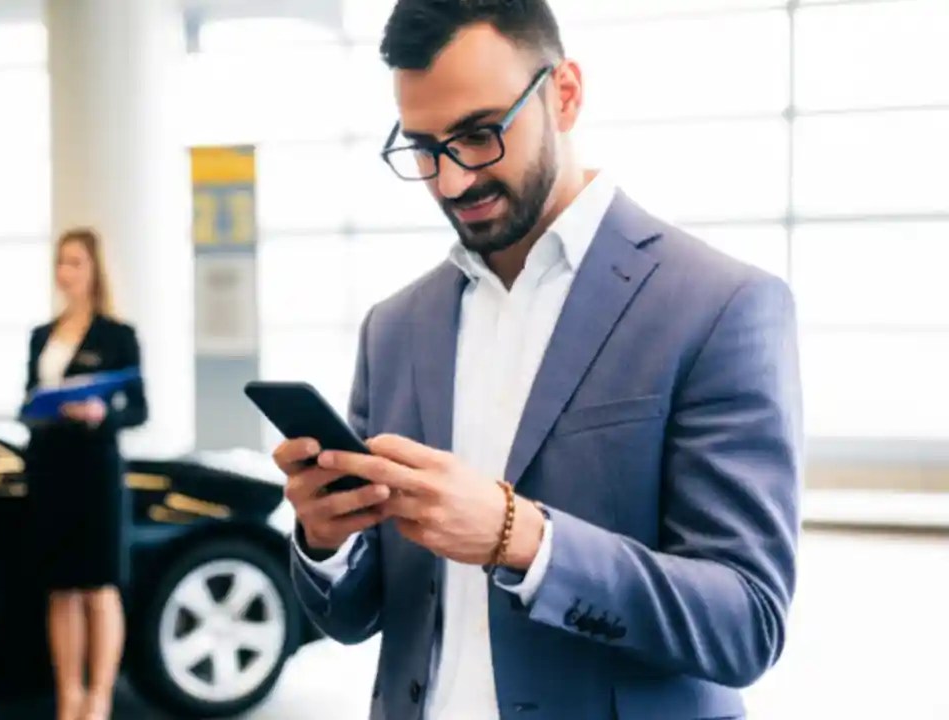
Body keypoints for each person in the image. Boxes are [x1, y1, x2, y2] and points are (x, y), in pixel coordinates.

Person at [274, 2, 803, 719]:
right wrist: (326, 539)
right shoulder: (394, 328)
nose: (451, 182)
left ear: (565, 94)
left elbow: (745, 623)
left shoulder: (718, 306)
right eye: (424, 149)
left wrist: (520, 537)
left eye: (479, 135)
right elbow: (354, 616)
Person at [22, 228, 147, 720]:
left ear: (94, 270)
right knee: (61, 586)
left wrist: (101, 412)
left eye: (75, 262)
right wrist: (44, 407)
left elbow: (138, 409)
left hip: (95, 469)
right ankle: (68, 694)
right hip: (49, 465)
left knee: (99, 584)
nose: (66, 272)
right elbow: (26, 400)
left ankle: (99, 697)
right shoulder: (42, 335)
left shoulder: (118, 336)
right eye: (61, 262)